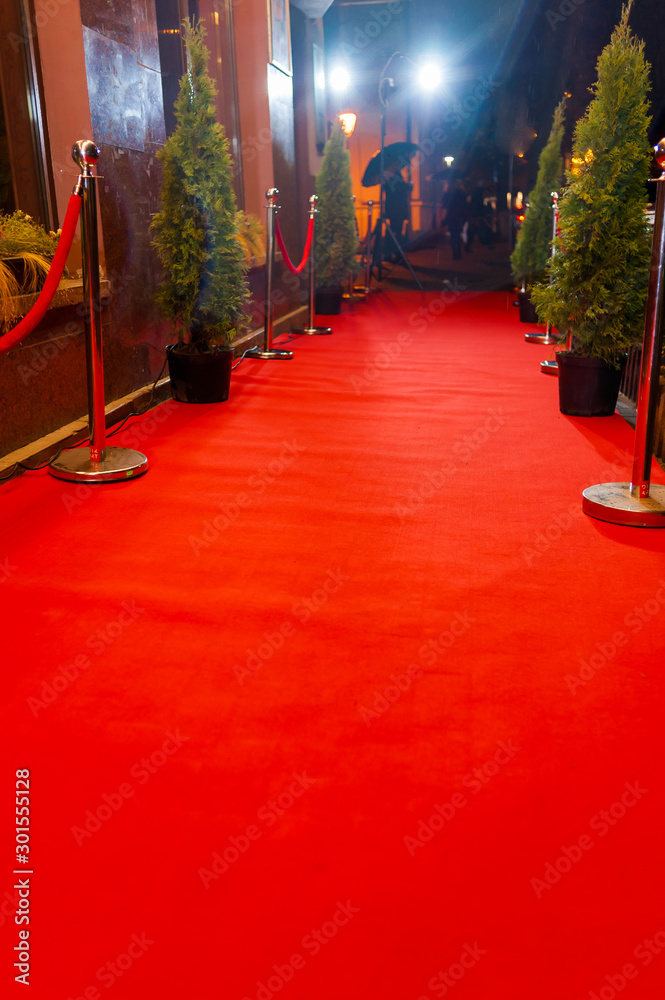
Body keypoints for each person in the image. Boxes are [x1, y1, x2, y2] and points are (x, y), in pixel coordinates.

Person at [441, 179, 468, 260]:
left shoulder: (448, 194)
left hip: (451, 216)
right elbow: (464, 205)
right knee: (457, 234)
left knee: (453, 235)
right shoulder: (461, 193)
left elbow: (444, 206)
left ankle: (455, 254)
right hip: (459, 216)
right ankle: (458, 253)